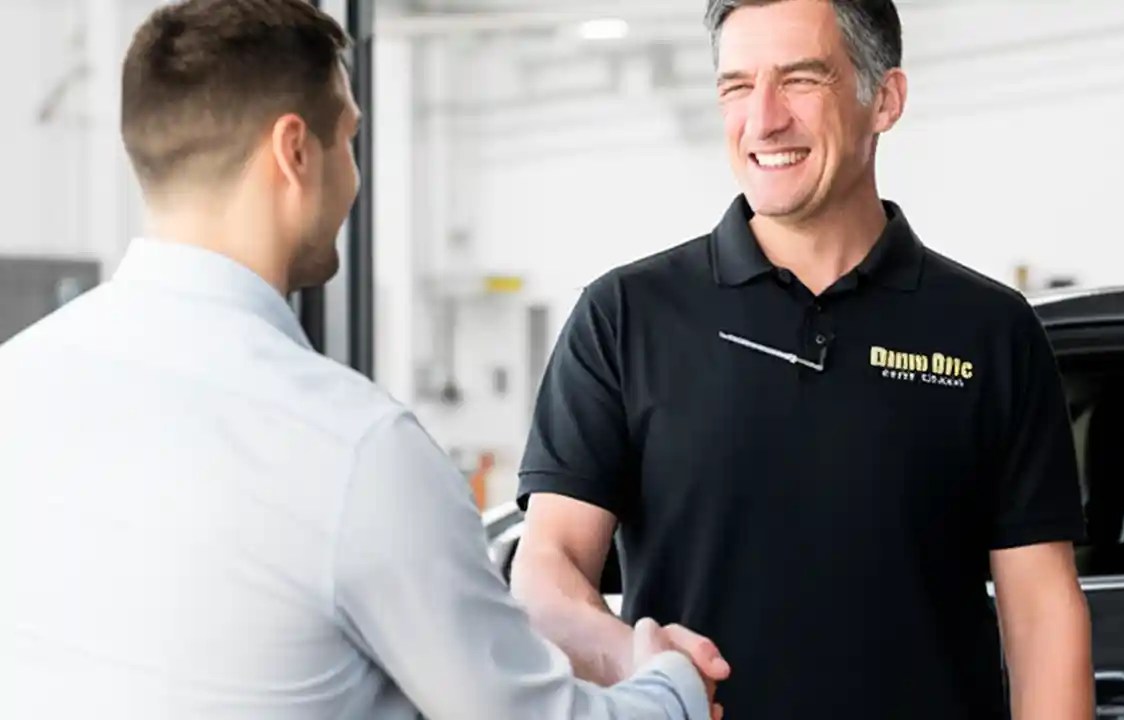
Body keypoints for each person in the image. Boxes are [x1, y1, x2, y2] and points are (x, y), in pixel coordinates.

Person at [0, 1, 721, 718]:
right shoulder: (354, 450)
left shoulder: (16, 384)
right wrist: (673, 683)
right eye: (348, 138)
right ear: (295, 152)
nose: (353, 176)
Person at [511, 0, 1094, 718]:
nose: (763, 120)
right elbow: (547, 571)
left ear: (885, 99)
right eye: (737, 86)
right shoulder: (624, 316)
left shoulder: (991, 331)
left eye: (800, 80)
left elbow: (1041, 614)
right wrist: (634, 657)